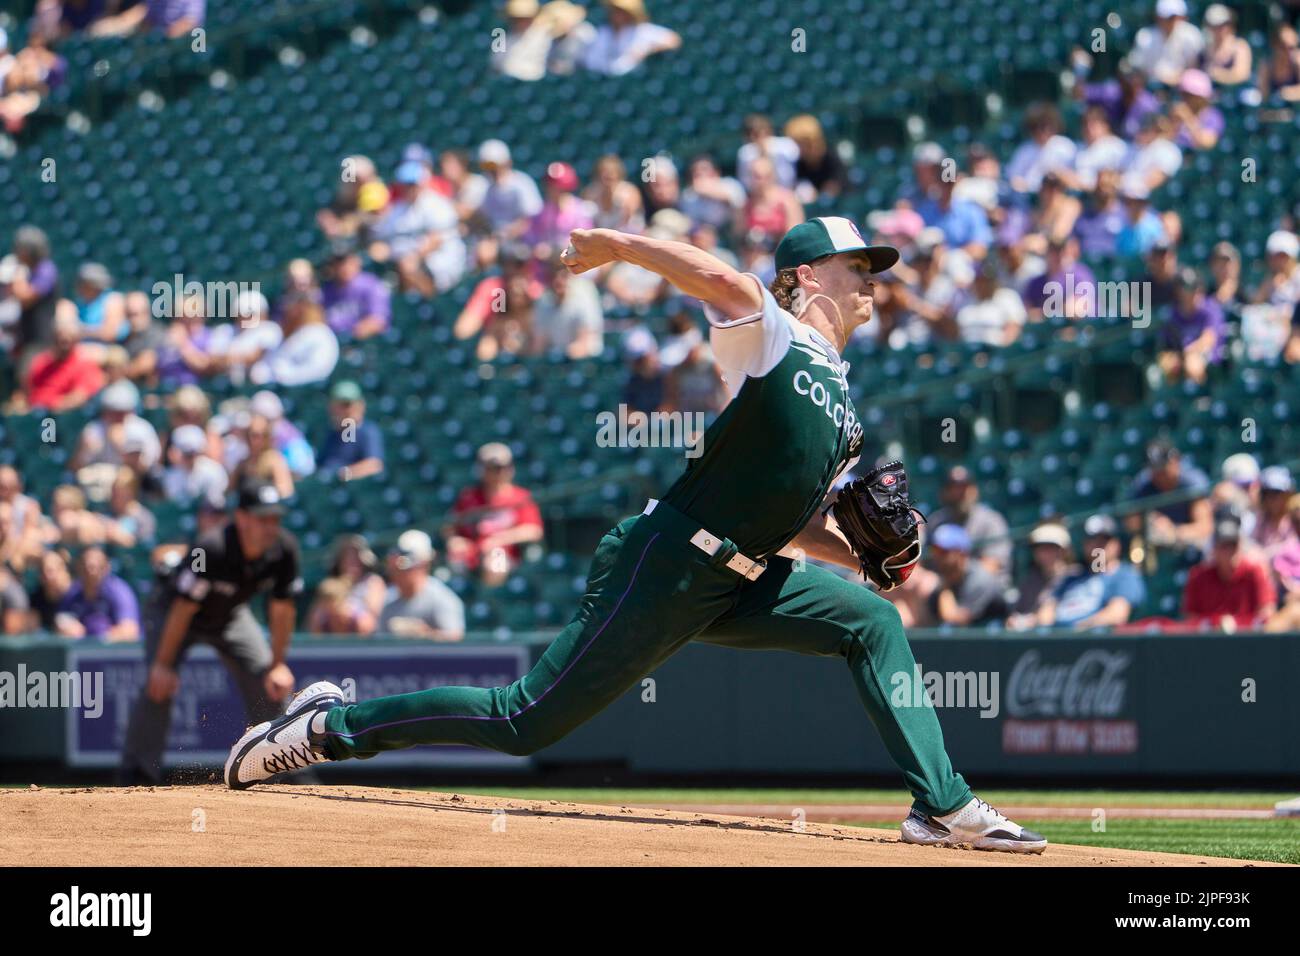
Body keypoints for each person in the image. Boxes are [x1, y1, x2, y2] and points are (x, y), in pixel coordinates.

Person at [225, 215, 1048, 855]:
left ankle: (942, 807)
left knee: (872, 622)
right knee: (523, 723)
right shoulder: (773, 335)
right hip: (669, 564)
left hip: (744, 573)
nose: (871, 280)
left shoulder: (842, 402)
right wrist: (618, 243)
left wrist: (861, 555)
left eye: (872, 269)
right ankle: (328, 729)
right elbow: (721, 278)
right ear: (805, 277)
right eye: (855, 267)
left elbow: (796, 518)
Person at [121, 480, 304, 785]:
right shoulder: (211, 548)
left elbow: (283, 609)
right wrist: (164, 664)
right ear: (241, 518)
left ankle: (283, 771)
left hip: (229, 614)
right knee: (159, 685)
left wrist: (278, 663)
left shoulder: (284, 549)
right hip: (174, 614)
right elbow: (183, 608)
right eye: (262, 518)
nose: (270, 527)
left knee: (268, 681)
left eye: (275, 519)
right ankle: (135, 776)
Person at [445, 442, 545, 587]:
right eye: (491, 468)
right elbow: (450, 525)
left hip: (503, 555)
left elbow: (534, 531)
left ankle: (492, 598)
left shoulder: (520, 496)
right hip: (472, 555)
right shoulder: (469, 496)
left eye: (501, 468)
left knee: (494, 561)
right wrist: (454, 540)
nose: (497, 473)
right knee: (450, 569)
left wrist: (499, 539)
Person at [1037, 515, 1145, 629]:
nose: (1097, 546)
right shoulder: (1073, 576)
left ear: (1116, 545)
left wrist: (1078, 629)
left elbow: (1117, 615)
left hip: (1094, 641)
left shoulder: (1125, 575)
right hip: (1057, 639)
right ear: (1084, 544)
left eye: (1103, 541)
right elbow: (1046, 612)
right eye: (1092, 540)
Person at [1183, 515, 1275, 630]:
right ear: (1214, 550)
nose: (1230, 552)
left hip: (1249, 642)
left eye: (1233, 545)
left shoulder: (1255, 571)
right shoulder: (1198, 576)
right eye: (1224, 546)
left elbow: (1267, 615)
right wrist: (1217, 622)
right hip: (1209, 643)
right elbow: (1191, 619)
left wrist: (1235, 623)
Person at [1126, 439, 1213, 551]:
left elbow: (1204, 529)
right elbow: (1130, 520)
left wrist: (1172, 531)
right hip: (1158, 548)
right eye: (1154, 469)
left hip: (1190, 549)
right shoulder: (1143, 483)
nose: (1159, 475)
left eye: (1162, 469)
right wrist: (1150, 521)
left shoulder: (1191, 482)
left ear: (1175, 461)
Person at [377, 531, 466, 640]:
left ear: (424, 565)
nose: (398, 574)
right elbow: (380, 643)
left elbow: (455, 641)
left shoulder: (442, 598)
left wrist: (425, 635)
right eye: (395, 569)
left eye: (406, 568)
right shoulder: (388, 598)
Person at [928, 466, 1012, 582]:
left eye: (963, 487)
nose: (958, 493)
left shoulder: (991, 520)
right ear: (944, 492)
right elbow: (925, 564)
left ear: (974, 490)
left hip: (986, 589)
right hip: (946, 586)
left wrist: (959, 565)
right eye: (953, 487)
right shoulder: (935, 521)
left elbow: (993, 566)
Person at [925, 524, 1009, 627]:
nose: (937, 556)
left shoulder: (980, 578)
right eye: (935, 550)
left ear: (961, 553)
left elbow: (955, 619)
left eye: (943, 552)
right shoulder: (945, 577)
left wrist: (945, 588)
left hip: (996, 635)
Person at [54, 546, 140, 642]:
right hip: (80, 653)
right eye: (85, 568)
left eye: (94, 568)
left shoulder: (119, 591)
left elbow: (129, 630)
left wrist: (99, 639)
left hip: (114, 653)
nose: (90, 573)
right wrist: (67, 628)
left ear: (106, 569)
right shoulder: (73, 592)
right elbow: (60, 622)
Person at [580, 0, 681, 76]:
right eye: (615, 11)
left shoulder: (642, 30)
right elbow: (592, 60)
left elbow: (673, 39)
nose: (617, 15)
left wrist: (646, 50)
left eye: (621, 11)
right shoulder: (604, 32)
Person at [1006, 522, 1077, 628]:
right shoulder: (1031, 581)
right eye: (1039, 547)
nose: (1043, 553)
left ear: (1063, 550)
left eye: (1050, 547)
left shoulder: (1075, 577)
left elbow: (1050, 619)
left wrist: (1032, 621)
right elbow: (1017, 614)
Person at [316, 380, 385, 483]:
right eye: (341, 405)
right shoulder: (331, 434)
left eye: (347, 404)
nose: (345, 410)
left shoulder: (367, 431)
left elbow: (374, 465)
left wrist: (342, 475)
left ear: (360, 405)